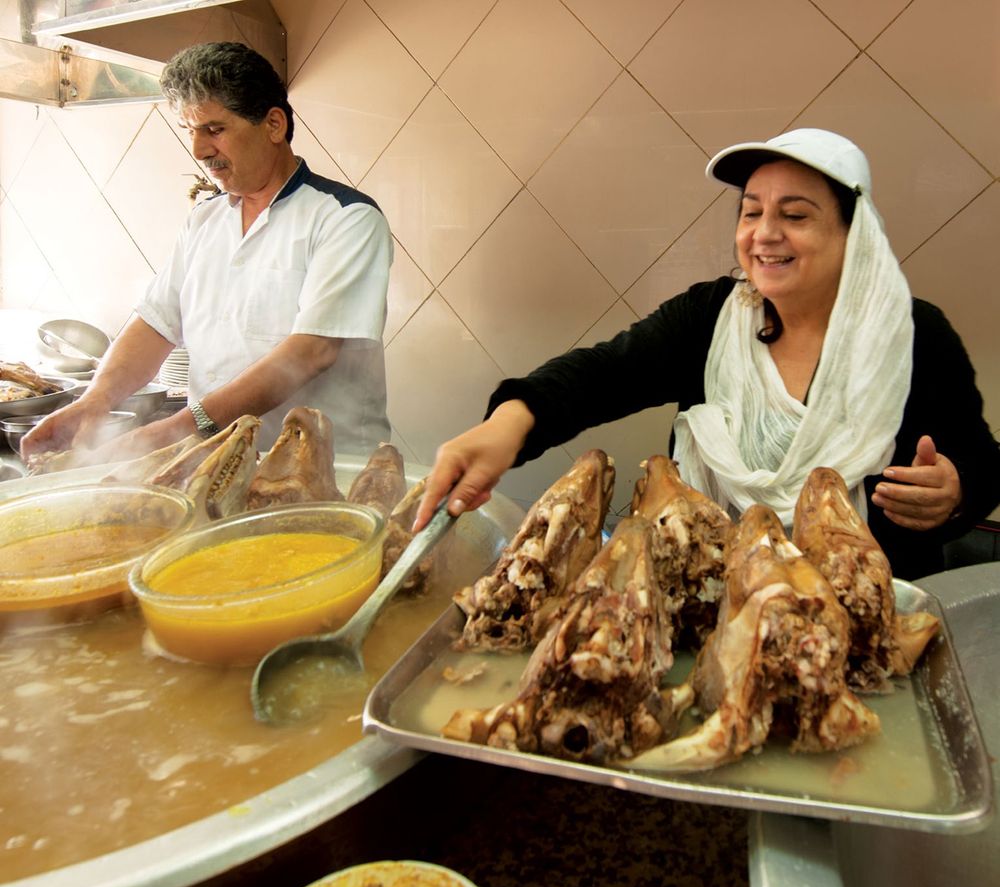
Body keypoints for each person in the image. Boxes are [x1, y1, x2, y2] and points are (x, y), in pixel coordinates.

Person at [414, 128, 1000, 581]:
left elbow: (982, 463)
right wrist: (508, 425)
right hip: (709, 601)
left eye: (795, 215)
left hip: (863, 619)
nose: (764, 233)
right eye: (751, 211)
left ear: (855, 235)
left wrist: (955, 493)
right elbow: (600, 375)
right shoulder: (710, 319)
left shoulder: (914, 335)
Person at [22, 41, 392, 460]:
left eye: (214, 129)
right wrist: (95, 400)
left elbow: (311, 351)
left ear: (274, 125)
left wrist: (182, 428)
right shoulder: (204, 221)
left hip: (321, 469)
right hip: (219, 464)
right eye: (190, 132)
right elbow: (155, 323)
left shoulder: (346, 219)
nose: (199, 150)